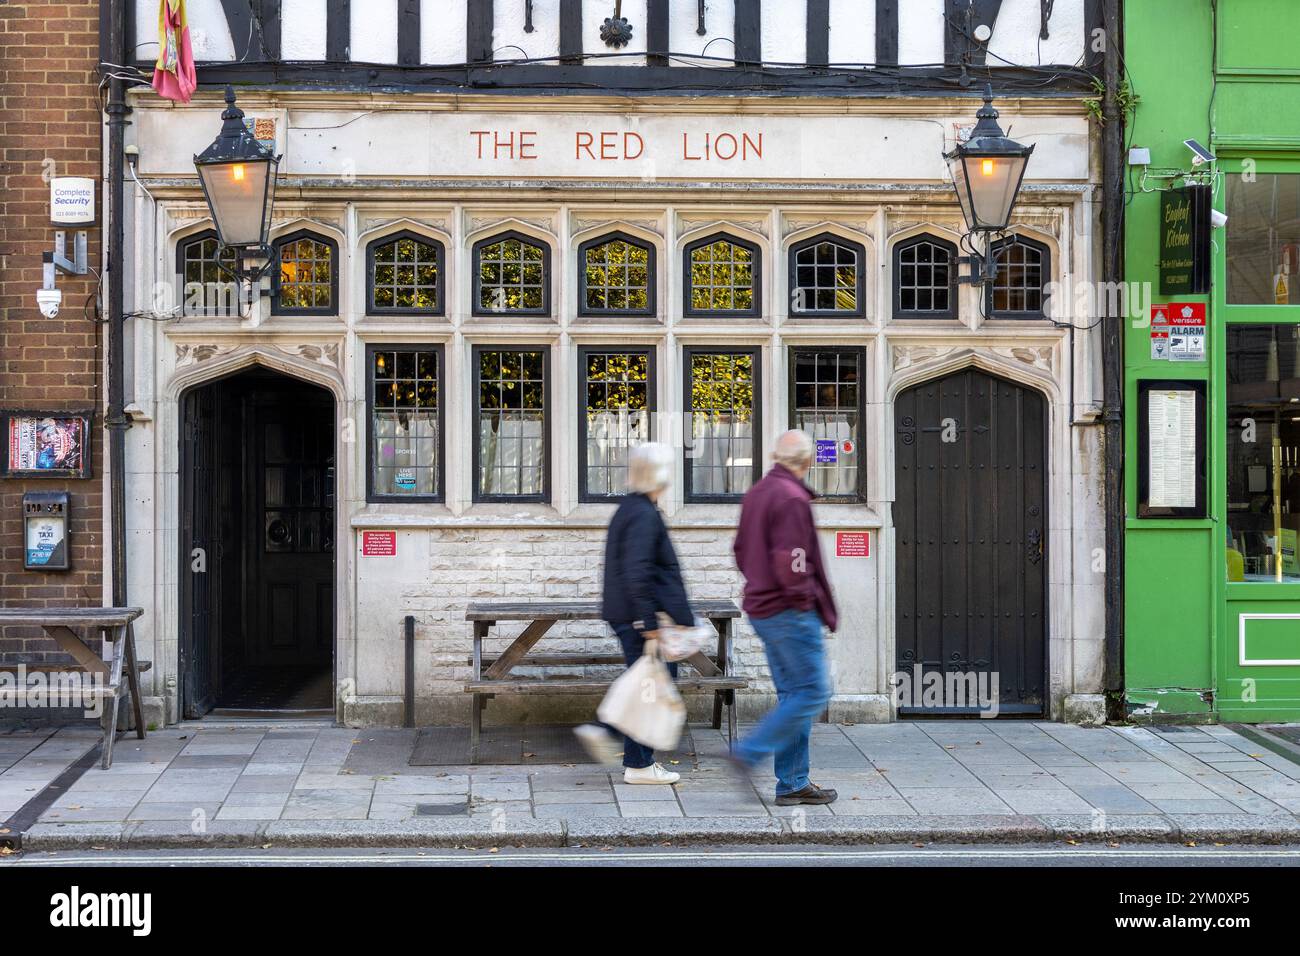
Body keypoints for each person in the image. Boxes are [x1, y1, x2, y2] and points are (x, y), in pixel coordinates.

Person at [730, 430, 839, 805]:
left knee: (793, 694)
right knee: (813, 691)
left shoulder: (758, 493)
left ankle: (792, 782)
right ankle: (748, 752)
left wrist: (760, 586)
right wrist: (802, 600)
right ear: (807, 462)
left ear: (777, 457)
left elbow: (741, 550)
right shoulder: (791, 498)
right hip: (789, 611)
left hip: (764, 608)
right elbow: (792, 560)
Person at [574, 442, 690, 785]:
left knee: (649, 685)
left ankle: (633, 756)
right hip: (641, 618)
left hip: (634, 615)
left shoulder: (631, 509)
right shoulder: (642, 514)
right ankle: (625, 750)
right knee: (651, 687)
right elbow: (637, 571)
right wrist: (649, 623)